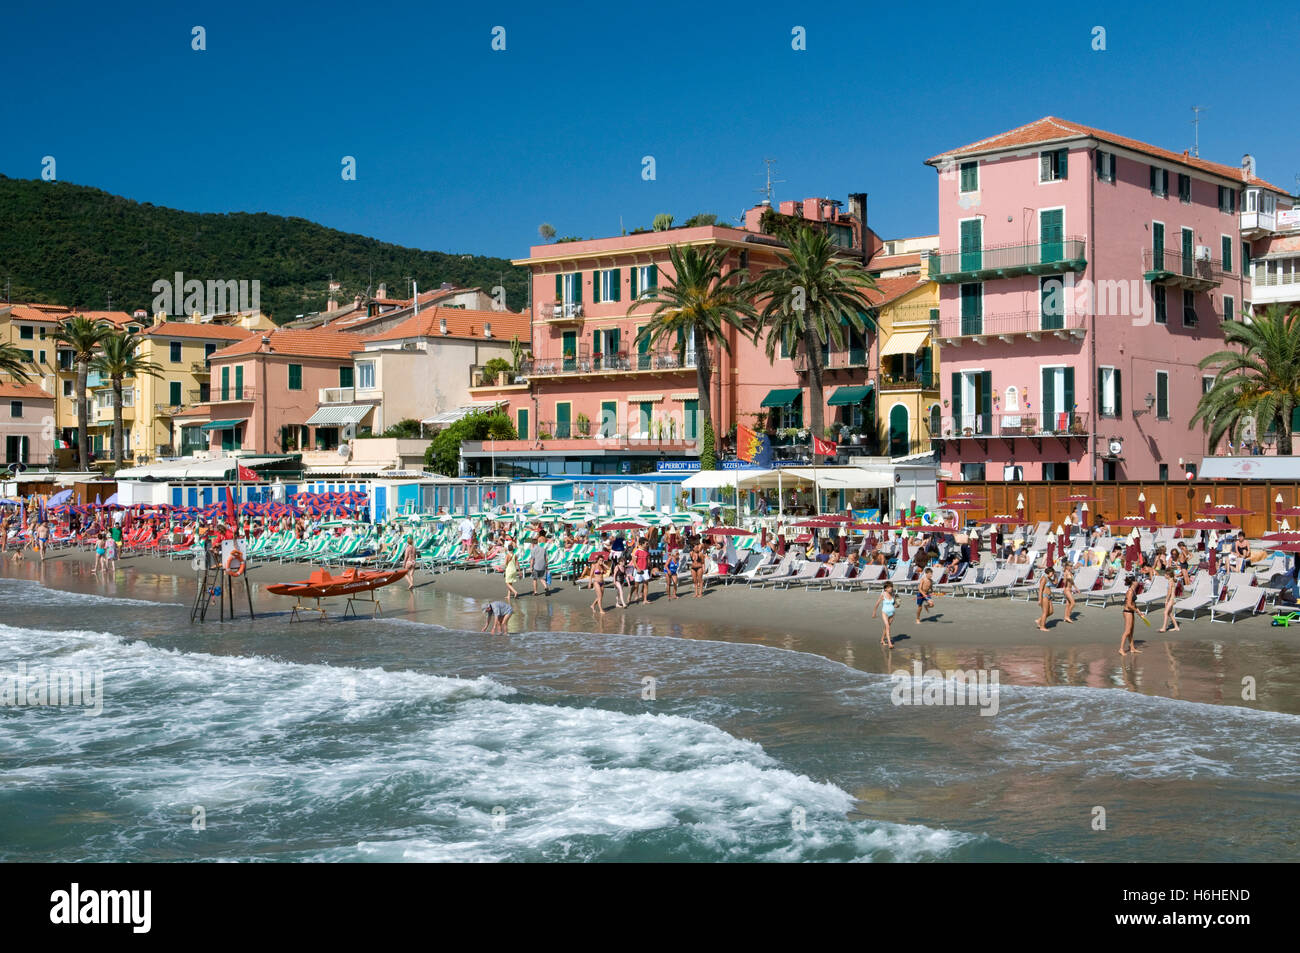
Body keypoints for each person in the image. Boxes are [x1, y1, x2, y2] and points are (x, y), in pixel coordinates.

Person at [1120, 573, 1145, 655]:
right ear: (1133, 582)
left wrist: (1139, 611)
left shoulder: (1133, 590)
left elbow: (1133, 603)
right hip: (1127, 612)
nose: (1138, 582)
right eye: (1136, 580)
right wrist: (1137, 611)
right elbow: (1129, 605)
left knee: (1131, 631)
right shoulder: (1130, 591)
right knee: (1127, 631)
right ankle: (1121, 649)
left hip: (1131, 611)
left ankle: (1132, 648)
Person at [872, 581, 897, 648]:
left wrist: (896, 605)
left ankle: (882, 639)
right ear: (885, 589)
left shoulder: (893, 594)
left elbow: (894, 603)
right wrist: (874, 612)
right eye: (889, 587)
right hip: (885, 612)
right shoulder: (883, 594)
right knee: (888, 627)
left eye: (891, 587)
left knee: (887, 627)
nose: (891, 588)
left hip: (892, 613)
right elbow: (877, 603)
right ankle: (890, 643)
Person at [1157, 568, 1182, 633]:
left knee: (1165, 613)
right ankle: (1176, 627)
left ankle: (1164, 628)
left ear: (1168, 575)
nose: (1164, 576)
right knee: (1169, 613)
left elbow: (1169, 592)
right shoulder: (1171, 580)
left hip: (1171, 599)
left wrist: (1166, 600)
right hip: (1172, 599)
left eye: (1165, 574)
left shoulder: (1170, 581)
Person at [1035, 567, 1056, 632]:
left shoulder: (1049, 578)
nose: (1053, 574)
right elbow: (1040, 590)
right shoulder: (1044, 578)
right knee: (1045, 612)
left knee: (1051, 611)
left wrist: (1055, 576)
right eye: (1052, 573)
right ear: (1049, 572)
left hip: (1049, 597)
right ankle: (1042, 626)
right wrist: (1039, 599)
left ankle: (1039, 620)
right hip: (1044, 597)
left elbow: (1055, 583)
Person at [632, 538, 650, 605]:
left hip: (645, 570)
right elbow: (634, 561)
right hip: (638, 570)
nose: (647, 545)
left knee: (646, 585)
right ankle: (636, 594)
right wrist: (637, 568)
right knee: (636, 585)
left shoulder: (647, 552)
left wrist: (649, 565)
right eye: (646, 543)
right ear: (642, 544)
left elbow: (648, 560)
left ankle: (645, 599)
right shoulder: (637, 551)